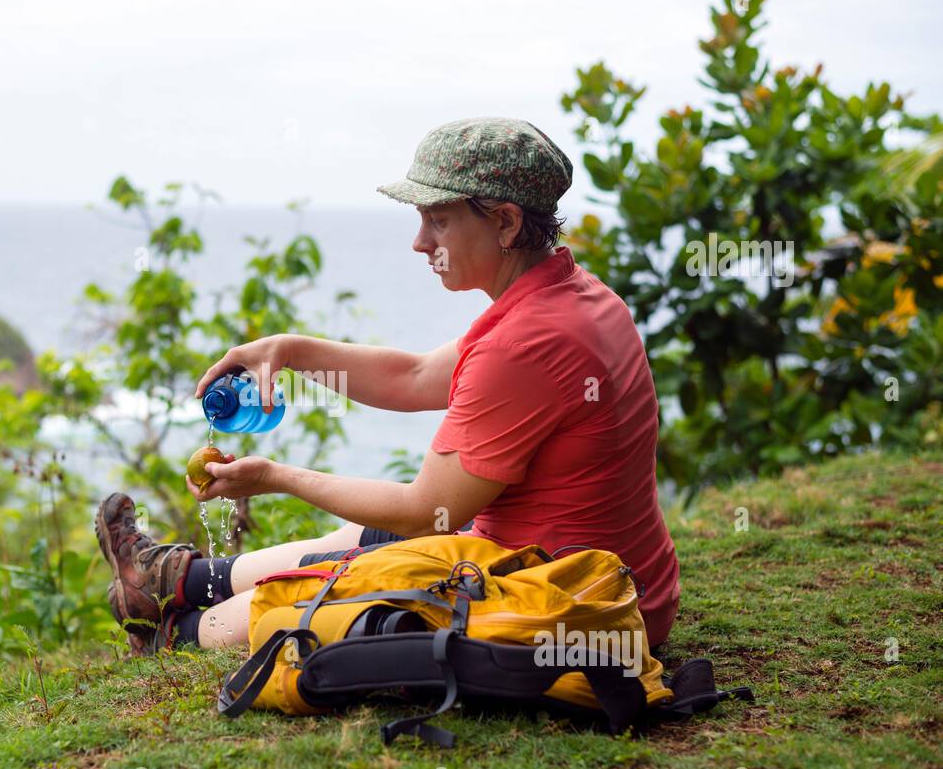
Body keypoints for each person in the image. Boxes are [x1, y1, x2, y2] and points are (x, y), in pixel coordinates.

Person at [95, 116, 679, 657]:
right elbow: (415, 376)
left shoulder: (525, 344)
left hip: (573, 610)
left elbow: (428, 514)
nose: (420, 242)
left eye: (439, 219)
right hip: (614, 586)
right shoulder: (573, 296)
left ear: (504, 221)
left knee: (375, 572)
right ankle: (173, 580)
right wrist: (291, 352)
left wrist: (274, 477)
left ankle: (180, 635)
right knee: (371, 532)